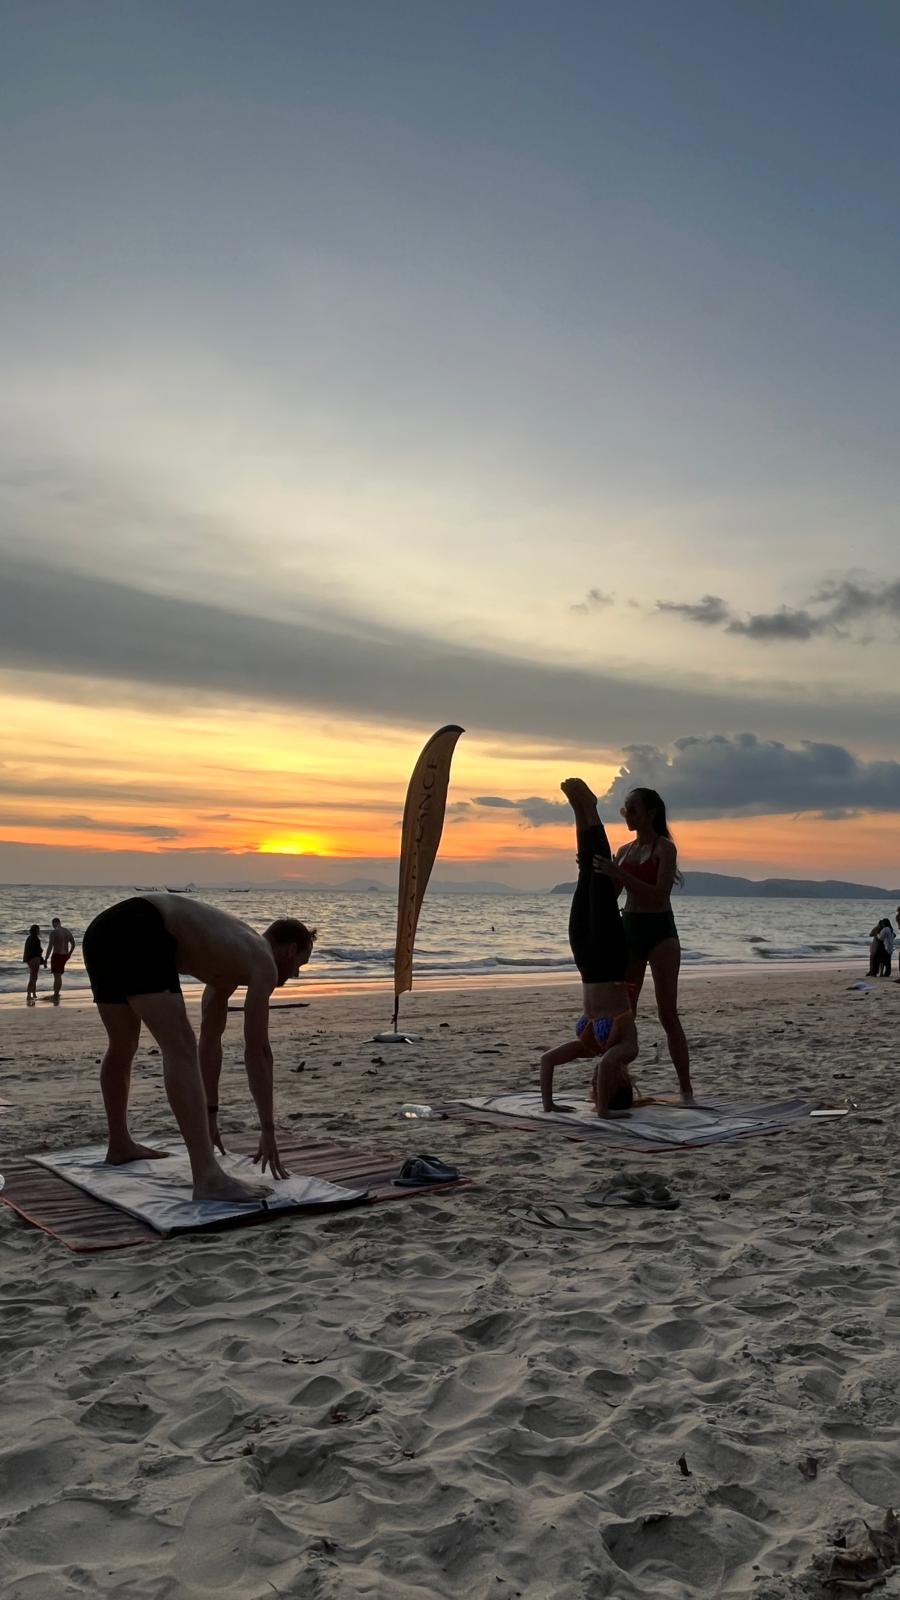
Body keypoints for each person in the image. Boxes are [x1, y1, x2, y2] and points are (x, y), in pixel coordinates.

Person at [81, 894, 316, 1202]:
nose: (296, 973)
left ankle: (120, 1144)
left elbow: (211, 1043)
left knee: (123, 1044)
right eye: (301, 964)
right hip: (142, 925)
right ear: (290, 950)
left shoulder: (227, 958)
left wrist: (210, 1115)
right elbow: (257, 1051)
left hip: (101, 931)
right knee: (179, 1046)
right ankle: (207, 1176)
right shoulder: (262, 961)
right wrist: (268, 1129)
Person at [540, 778, 638, 1117]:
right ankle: (590, 808)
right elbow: (604, 1067)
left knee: (585, 876)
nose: (593, 1088)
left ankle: (579, 812)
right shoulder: (626, 1051)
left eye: (594, 1092)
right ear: (621, 1085)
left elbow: (548, 1060)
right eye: (601, 1091)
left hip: (585, 961)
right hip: (610, 961)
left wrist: (549, 1105)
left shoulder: (589, 1046)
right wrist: (604, 1111)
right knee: (597, 875)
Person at [592, 787, 693, 1102]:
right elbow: (611, 894)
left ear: (650, 813)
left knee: (667, 1014)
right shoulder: (623, 851)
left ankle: (686, 1089)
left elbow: (659, 894)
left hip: (660, 933)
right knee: (625, 1016)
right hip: (630, 931)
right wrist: (596, 873)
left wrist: (618, 871)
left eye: (633, 809)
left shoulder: (664, 848)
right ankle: (612, 1084)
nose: (627, 814)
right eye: (625, 809)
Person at [45, 916, 76, 1004]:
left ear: (54, 923)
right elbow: (73, 944)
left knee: (57, 976)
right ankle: (57, 993)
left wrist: (46, 958)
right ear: (60, 923)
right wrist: (69, 954)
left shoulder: (54, 932)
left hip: (57, 955)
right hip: (64, 956)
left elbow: (50, 946)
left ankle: (56, 994)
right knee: (59, 975)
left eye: (53, 924)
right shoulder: (67, 931)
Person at [23, 924, 45, 1006]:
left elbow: (27, 950)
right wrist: (42, 959)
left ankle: (33, 994)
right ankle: (29, 994)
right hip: (35, 959)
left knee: (33, 976)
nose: (39, 931)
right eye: (38, 930)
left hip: (29, 959)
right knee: (33, 977)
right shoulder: (36, 939)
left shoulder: (29, 938)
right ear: (36, 930)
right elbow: (38, 951)